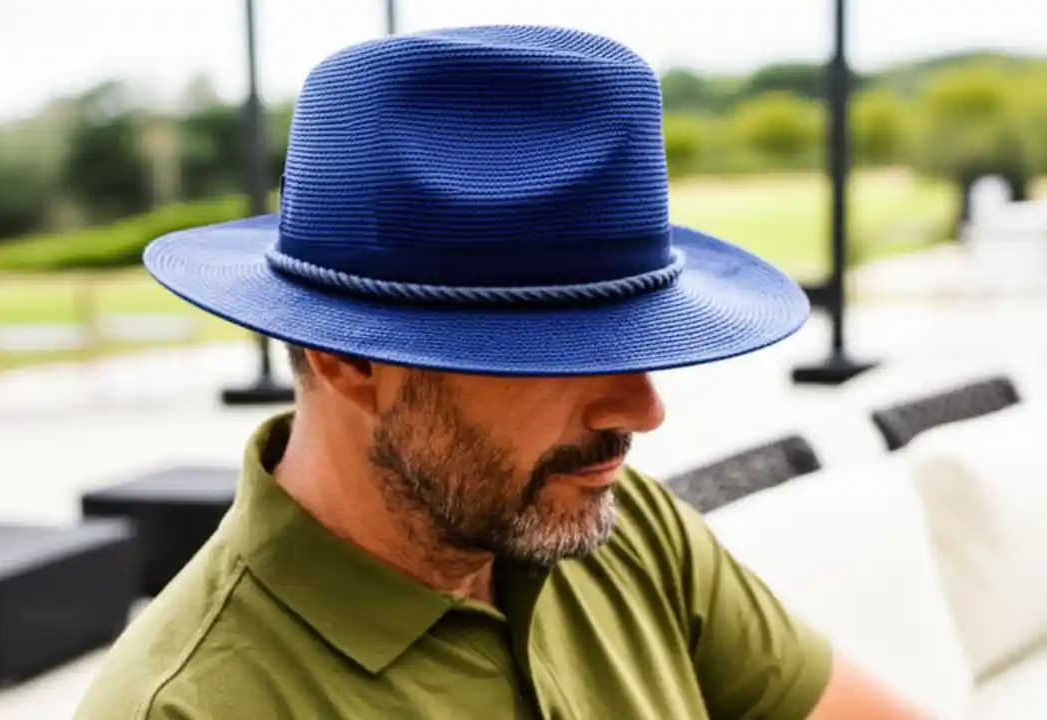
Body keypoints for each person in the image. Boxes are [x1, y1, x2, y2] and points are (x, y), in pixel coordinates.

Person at [76, 26, 921, 719]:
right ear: (346, 356)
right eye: (556, 351)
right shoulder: (194, 706)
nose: (645, 408)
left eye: (640, 340)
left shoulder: (628, 531)